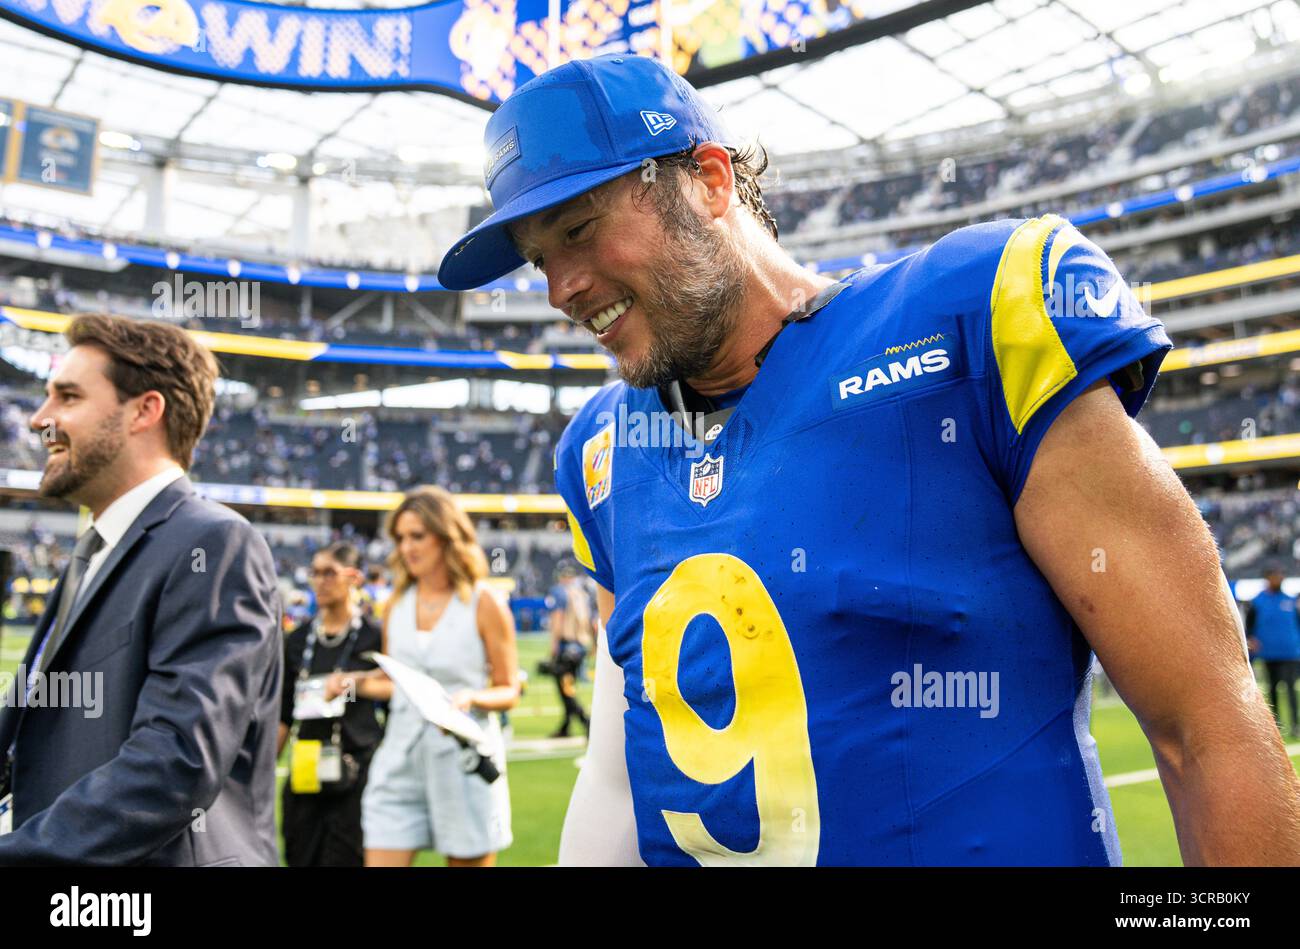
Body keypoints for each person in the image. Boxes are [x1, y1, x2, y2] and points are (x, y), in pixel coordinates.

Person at [438, 54, 1300, 866]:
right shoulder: (601, 453)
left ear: (707, 181)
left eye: (580, 230)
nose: (561, 289)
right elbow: (622, 777)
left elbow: (1206, 726)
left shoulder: (971, 318)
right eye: (540, 261)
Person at [0, 313, 282, 865]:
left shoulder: (215, 544)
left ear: (144, 411)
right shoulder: (94, 550)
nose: (40, 420)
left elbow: (175, 763)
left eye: (68, 397)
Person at [336, 486, 520, 867]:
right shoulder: (395, 604)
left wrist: (471, 698)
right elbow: (396, 683)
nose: (406, 547)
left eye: (417, 536)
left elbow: (508, 689)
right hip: (398, 761)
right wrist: (353, 682)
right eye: (401, 538)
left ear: (446, 536)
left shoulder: (485, 602)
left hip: (464, 762)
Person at [277, 542, 385, 867]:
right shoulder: (297, 640)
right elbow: (283, 710)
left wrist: (354, 683)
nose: (320, 581)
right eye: (315, 573)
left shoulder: (373, 636)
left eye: (330, 573)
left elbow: (395, 694)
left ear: (353, 578)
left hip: (357, 769)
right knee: (299, 857)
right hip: (306, 771)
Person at [1246, 569, 1300, 737]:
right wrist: (1251, 639)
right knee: (1273, 688)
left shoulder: (1290, 601)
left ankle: (1295, 725)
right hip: (1269, 653)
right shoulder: (1257, 601)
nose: (1278, 579)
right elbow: (1250, 626)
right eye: (1275, 576)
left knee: (1291, 688)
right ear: (1267, 578)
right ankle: (1276, 725)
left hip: (1290, 652)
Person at [544, 563, 593, 738]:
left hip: (566, 647)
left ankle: (586, 721)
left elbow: (558, 618)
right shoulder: (582, 593)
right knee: (567, 687)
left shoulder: (559, 592)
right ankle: (565, 726)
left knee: (565, 690)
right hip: (579, 647)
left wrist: (553, 646)